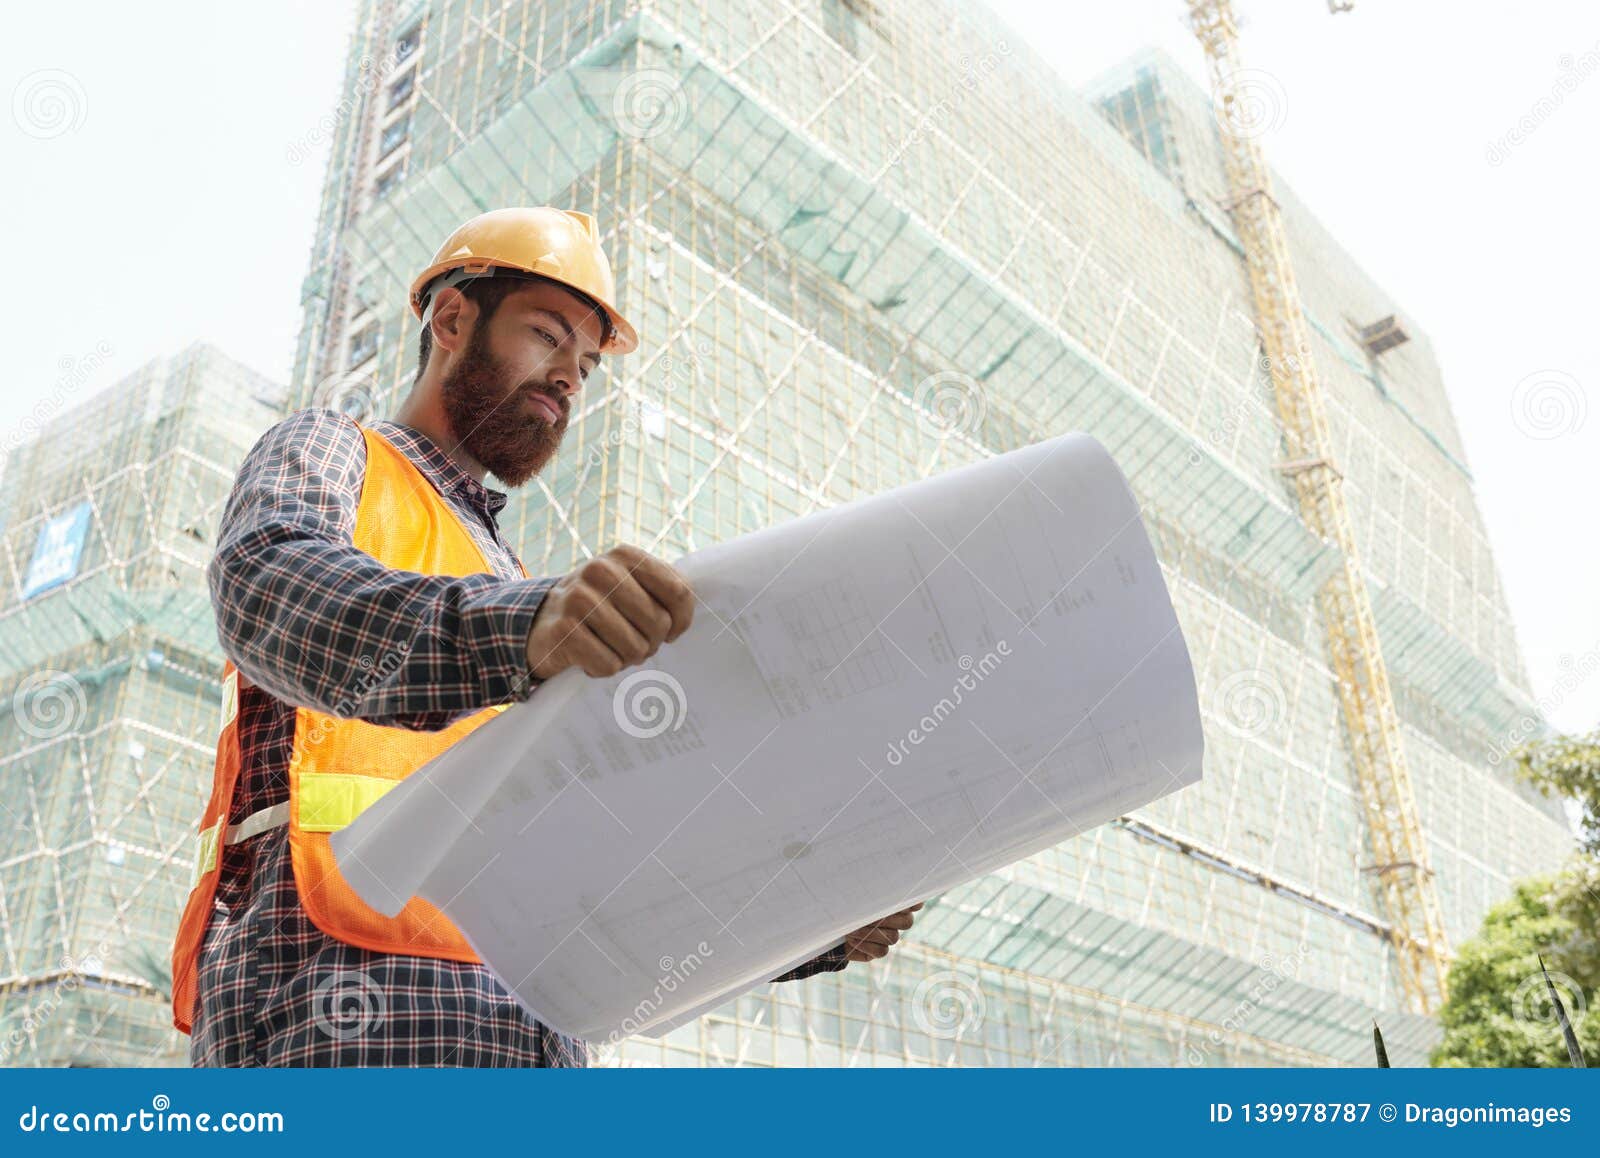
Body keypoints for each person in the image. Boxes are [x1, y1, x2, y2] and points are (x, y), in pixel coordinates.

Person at [170, 207, 920, 1067]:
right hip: (347, 1008)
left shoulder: (513, 581)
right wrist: (525, 628)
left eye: (588, 365)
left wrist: (808, 921)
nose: (570, 376)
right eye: (548, 335)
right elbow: (270, 588)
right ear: (452, 320)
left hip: (529, 1035)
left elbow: (597, 856)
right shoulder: (337, 452)